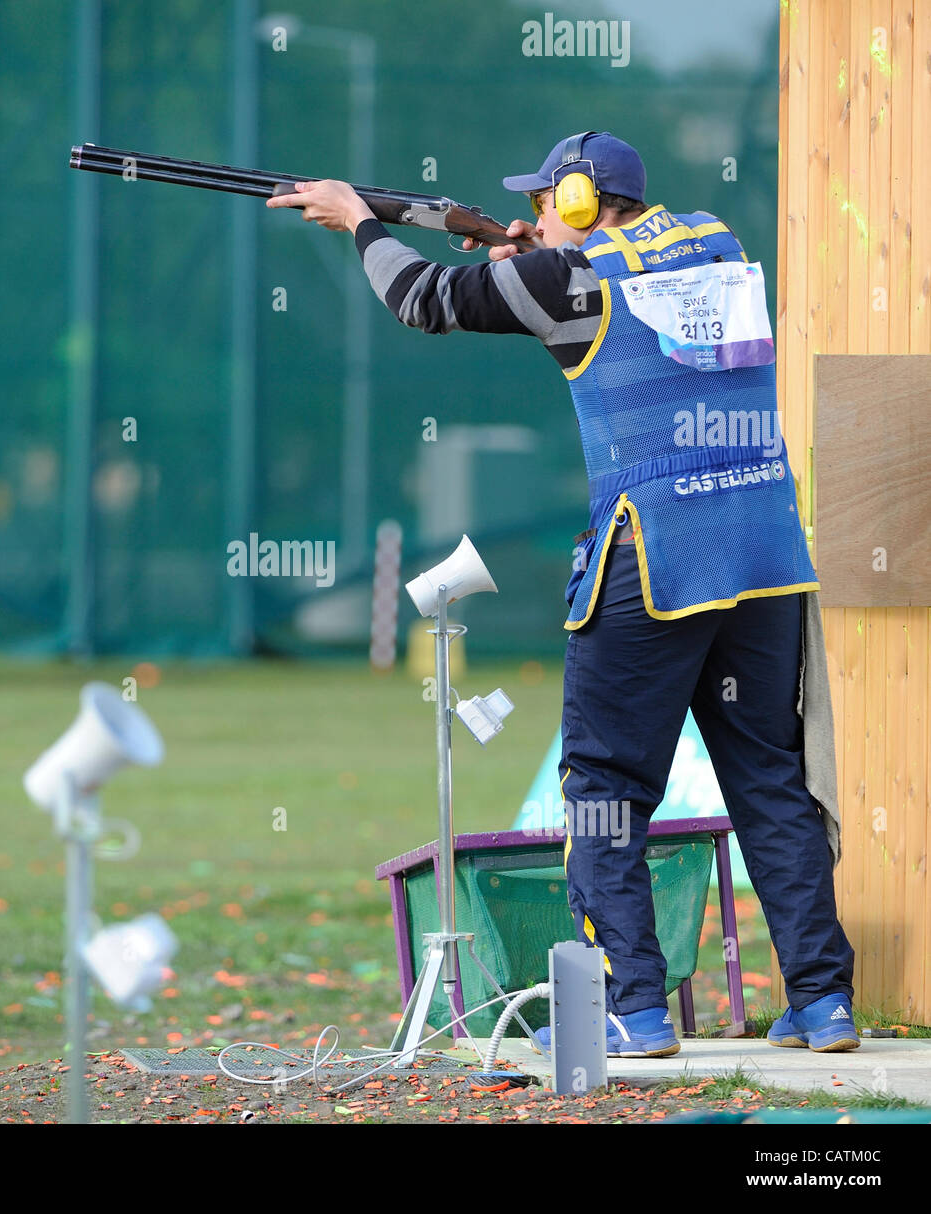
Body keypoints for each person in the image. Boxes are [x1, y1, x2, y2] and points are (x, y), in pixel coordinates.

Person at [268, 131, 858, 1057]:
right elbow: (625, 297)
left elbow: (420, 301)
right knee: (769, 779)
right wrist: (530, 252)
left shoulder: (562, 281)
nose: (537, 214)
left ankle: (636, 1009)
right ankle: (824, 1003)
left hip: (654, 556)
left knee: (606, 791)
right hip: (760, 553)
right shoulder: (716, 243)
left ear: (581, 201)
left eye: (546, 200)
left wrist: (356, 219)